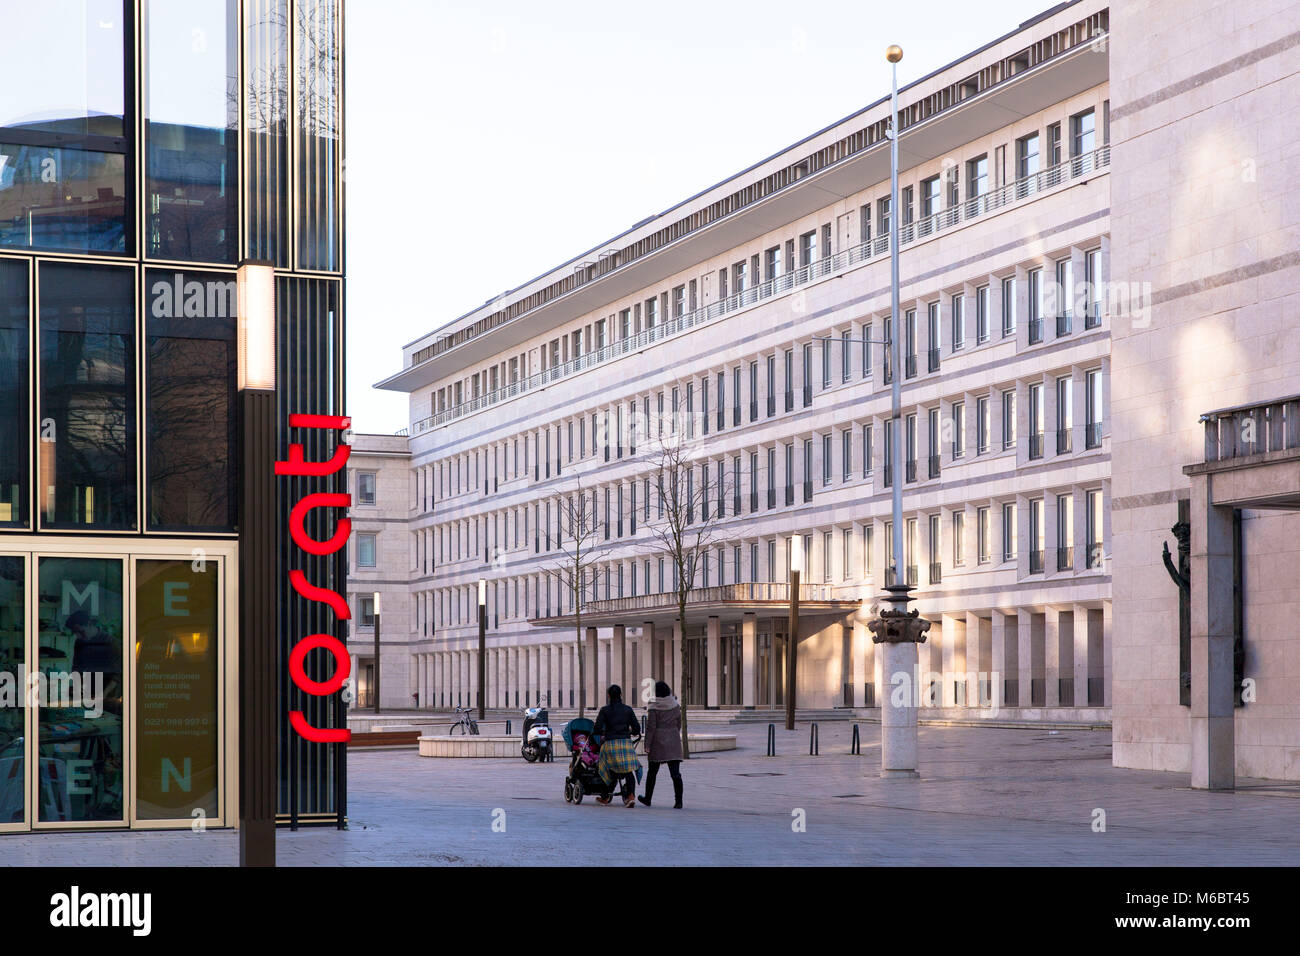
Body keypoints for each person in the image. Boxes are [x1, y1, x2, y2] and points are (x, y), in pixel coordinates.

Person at [593, 684, 641, 807]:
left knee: (607, 769)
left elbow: (597, 729)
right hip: (625, 744)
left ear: (609, 696)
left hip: (610, 744)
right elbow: (637, 729)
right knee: (629, 770)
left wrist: (604, 732)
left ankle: (604, 797)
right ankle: (631, 796)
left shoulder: (605, 710)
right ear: (621, 695)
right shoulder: (628, 710)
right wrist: (628, 732)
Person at [638, 681, 683, 808]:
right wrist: (673, 733)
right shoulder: (674, 705)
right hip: (673, 741)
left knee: (652, 772)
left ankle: (648, 798)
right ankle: (678, 802)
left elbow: (651, 727)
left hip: (657, 741)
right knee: (675, 774)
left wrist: (647, 745)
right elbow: (679, 722)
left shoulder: (654, 706)